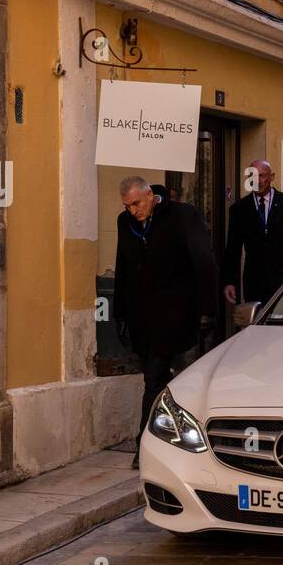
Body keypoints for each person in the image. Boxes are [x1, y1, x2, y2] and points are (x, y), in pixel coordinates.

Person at [114, 176, 217, 468]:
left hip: (176, 315)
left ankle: (143, 446)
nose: (133, 211)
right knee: (158, 381)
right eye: (127, 206)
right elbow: (121, 266)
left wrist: (207, 308)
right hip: (141, 319)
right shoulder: (126, 223)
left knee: (156, 381)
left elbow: (203, 261)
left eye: (136, 203)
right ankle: (169, 436)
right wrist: (119, 312)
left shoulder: (183, 216)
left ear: (149, 195)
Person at [222, 159, 283, 308]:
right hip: (255, 285)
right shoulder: (239, 209)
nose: (257, 181)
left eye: (262, 176)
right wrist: (229, 282)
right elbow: (233, 250)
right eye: (253, 176)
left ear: (271, 177)